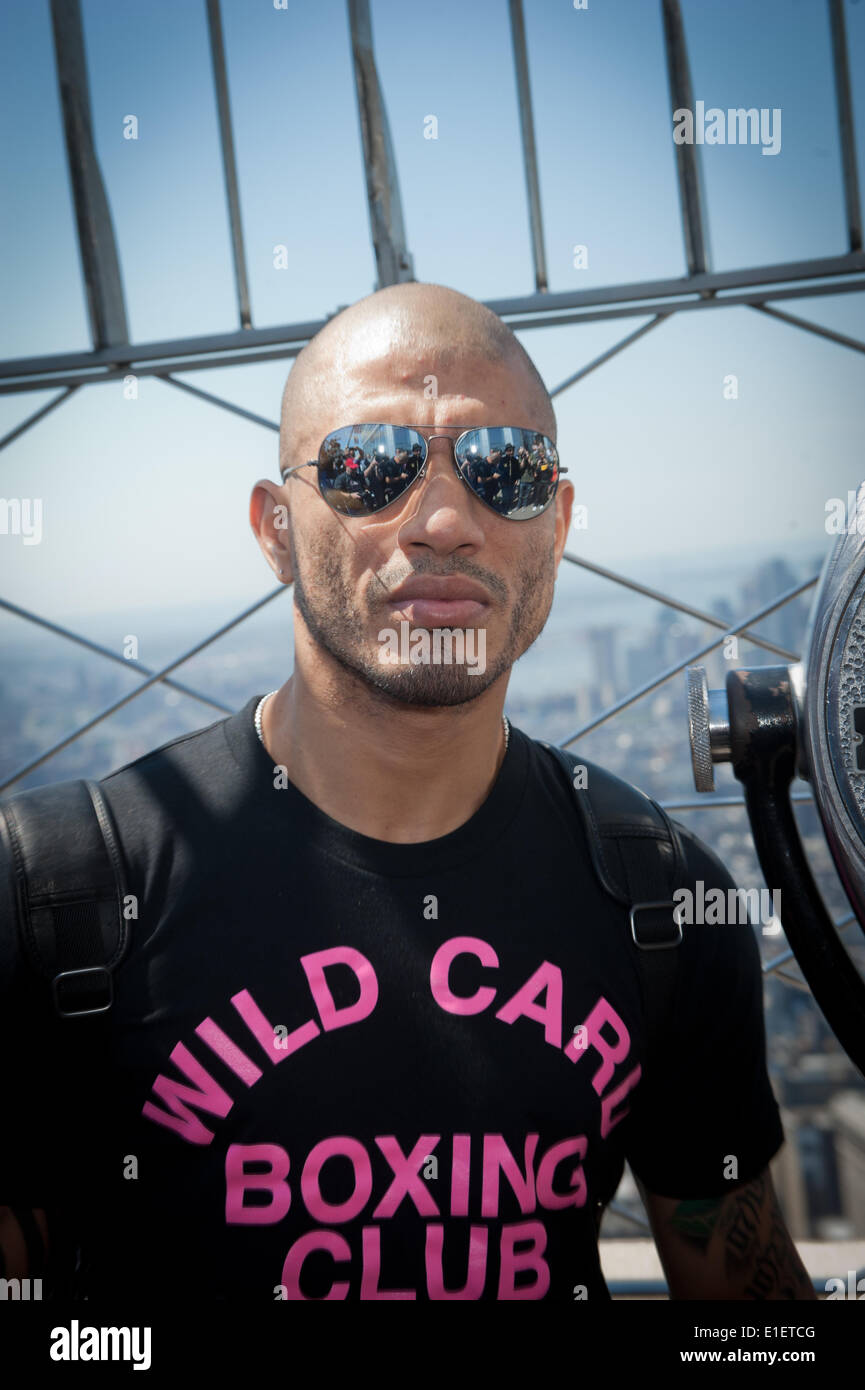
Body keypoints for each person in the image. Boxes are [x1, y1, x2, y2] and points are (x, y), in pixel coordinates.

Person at [0, 281, 811, 1303]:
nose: (440, 519)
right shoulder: (56, 895)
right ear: (275, 526)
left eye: (504, 472)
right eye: (367, 468)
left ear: (556, 523)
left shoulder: (664, 907)